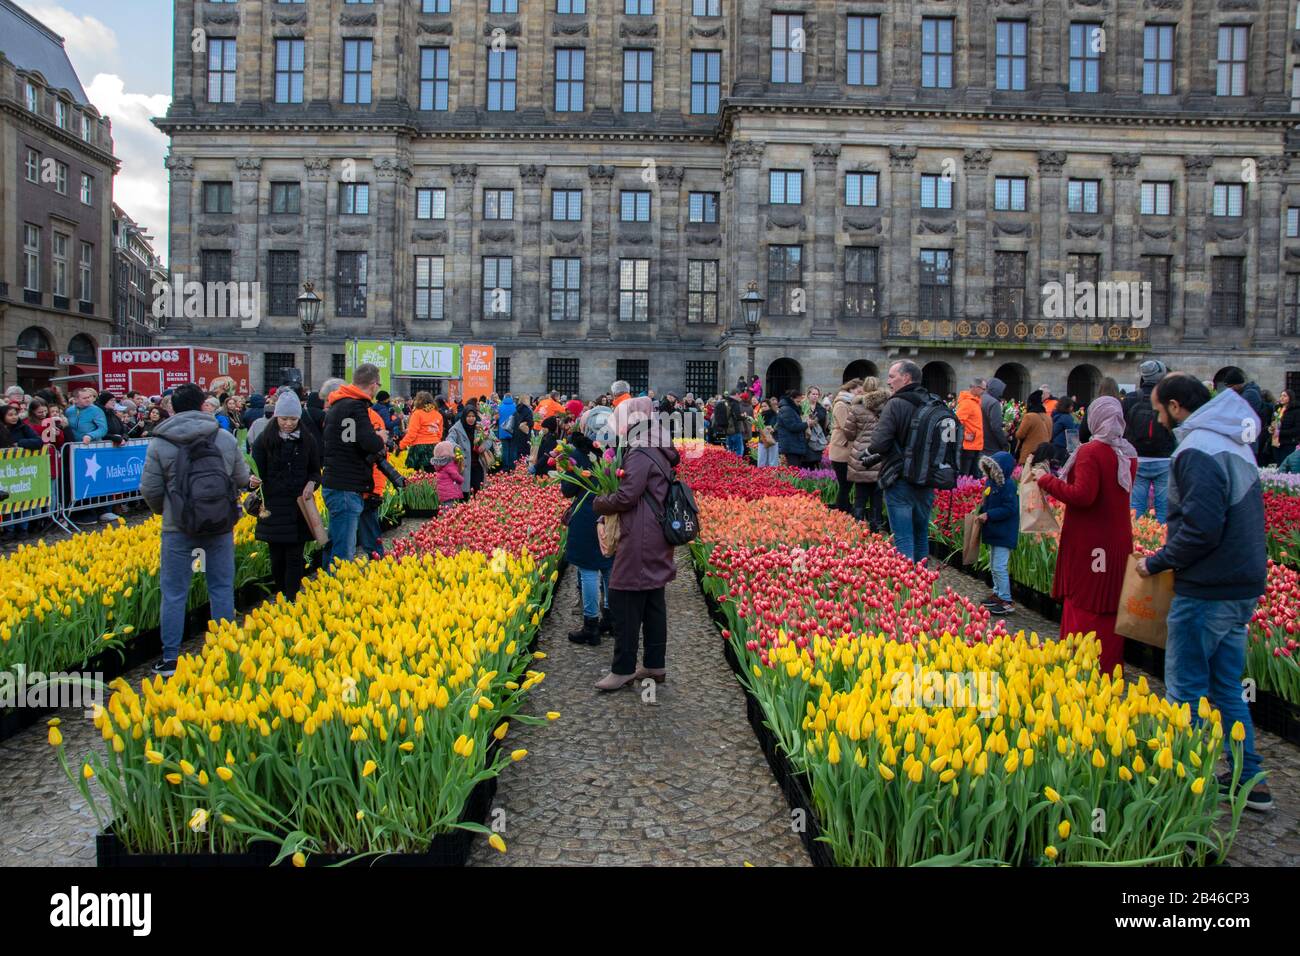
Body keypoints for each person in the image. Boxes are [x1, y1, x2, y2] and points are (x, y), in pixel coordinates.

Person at [1136, 374, 1271, 811]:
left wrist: (1155, 562)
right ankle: (1251, 781)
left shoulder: (1198, 449)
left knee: (1186, 689)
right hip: (1242, 581)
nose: (1158, 420)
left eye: (1159, 411)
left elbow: (1200, 529)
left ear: (1176, 406)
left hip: (1207, 585)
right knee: (1227, 687)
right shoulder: (1235, 444)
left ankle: (1184, 785)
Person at [139, 383, 250, 677]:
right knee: (221, 587)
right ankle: (225, 649)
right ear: (204, 405)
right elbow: (241, 477)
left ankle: (171, 658)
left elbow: (150, 488)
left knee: (175, 592)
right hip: (219, 524)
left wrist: (168, 512)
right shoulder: (223, 437)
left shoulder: (160, 441)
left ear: (172, 408)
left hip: (178, 528)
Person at [1034, 397, 1137, 677]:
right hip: (1116, 541)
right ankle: (1109, 667)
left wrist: (1047, 481)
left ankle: (1083, 668)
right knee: (1110, 606)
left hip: (1091, 541)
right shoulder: (1127, 452)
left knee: (1086, 605)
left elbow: (1083, 496)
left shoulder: (1092, 451)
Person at [592, 396, 680, 690]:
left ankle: (623, 668)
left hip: (640, 535)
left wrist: (600, 503)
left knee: (624, 598)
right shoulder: (655, 441)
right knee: (653, 600)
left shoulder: (640, 448)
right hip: (655, 532)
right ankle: (655, 664)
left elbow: (628, 495)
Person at [250, 390, 320, 602]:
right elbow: (254, 471)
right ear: (276, 417)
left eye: (293, 419)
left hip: (298, 507)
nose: (288, 423)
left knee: (295, 556)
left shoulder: (307, 440)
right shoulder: (264, 440)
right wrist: (252, 480)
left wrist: (312, 483)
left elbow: (315, 470)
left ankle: (291, 598)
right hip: (273, 507)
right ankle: (280, 594)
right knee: (277, 558)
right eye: (284, 419)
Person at [868, 360, 935, 564]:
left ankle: (908, 587)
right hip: (927, 477)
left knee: (904, 536)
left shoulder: (896, 403)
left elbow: (879, 443)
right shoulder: (932, 402)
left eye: (892, 376)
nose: (888, 381)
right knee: (921, 534)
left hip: (900, 476)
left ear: (906, 378)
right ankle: (922, 582)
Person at [321, 364, 386, 568]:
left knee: (336, 542)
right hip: (347, 484)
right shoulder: (356, 406)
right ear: (374, 385)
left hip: (337, 480)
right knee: (344, 550)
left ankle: (328, 587)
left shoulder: (338, 405)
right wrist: (380, 438)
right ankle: (337, 591)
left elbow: (349, 440)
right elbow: (369, 443)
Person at [562, 417, 615, 645]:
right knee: (609, 568)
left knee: (588, 571)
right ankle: (611, 619)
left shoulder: (576, 454)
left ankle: (591, 625)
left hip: (587, 513)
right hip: (611, 513)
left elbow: (568, 489)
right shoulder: (614, 451)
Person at [1123, 359, 1175, 524]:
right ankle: (1161, 542)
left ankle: (1137, 541)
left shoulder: (1131, 398)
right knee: (1163, 508)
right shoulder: (1168, 399)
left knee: (1135, 507)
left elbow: (1123, 426)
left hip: (1137, 457)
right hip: (1164, 458)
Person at [976, 451, 1019, 615]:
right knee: (994, 566)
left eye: (993, 468)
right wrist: (982, 511)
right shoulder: (991, 483)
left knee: (999, 566)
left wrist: (989, 515)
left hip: (1004, 532)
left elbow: (1010, 509)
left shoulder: (1008, 485)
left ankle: (1006, 600)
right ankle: (997, 594)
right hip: (995, 531)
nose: (989, 471)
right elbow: (987, 503)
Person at [846, 377, 890, 532]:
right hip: (881, 453)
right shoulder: (888, 406)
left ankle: (857, 526)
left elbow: (849, 434)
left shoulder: (856, 408)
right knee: (878, 495)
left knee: (860, 495)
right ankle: (876, 525)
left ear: (863, 389)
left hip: (862, 454)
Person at [827, 380, 863, 511]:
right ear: (851, 389)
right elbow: (846, 427)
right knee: (845, 484)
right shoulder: (841, 404)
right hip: (842, 448)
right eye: (859, 391)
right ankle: (841, 510)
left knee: (847, 484)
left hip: (847, 448)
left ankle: (843, 509)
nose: (861, 394)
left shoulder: (849, 403)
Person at [399, 391, 444, 472]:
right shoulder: (438, 414)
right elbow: (440, 434)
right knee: (432, 477)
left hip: (419, 448)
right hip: (434, 448)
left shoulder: (417, 414)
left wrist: (401, 446)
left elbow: (412, 434)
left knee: (416, 478)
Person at [447, 406, 487, 493]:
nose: (471, 419)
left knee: (478, 491)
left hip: (478, 463)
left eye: (473, 416)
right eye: (468, 416)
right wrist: (456, 447)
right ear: (464, 416)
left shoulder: (479, 426)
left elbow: (490, 438)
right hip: (464, 465)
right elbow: (449, 440)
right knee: (465, 493)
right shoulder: (456, 428)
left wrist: (484, 445)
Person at [956, 380, 986, 477]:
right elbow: (957, 421)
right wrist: (964, 435)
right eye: (983, 389)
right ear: (976, 387)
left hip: (975, 445)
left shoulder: (975, 402)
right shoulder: (967, 403)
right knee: (965, 476)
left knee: (972, 476)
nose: (984, 392)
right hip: (968, 446)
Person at [1015, 390, 1052, 466]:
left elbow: (1019, 435)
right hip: (1044, 455)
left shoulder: (1029, 416)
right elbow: (1050, 436)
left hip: (1029, 455)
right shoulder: (1048, 417)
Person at [776, 388, 809, 467]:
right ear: (791, 399)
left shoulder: (790, 408)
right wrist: (807, 424)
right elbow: (792, 426)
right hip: (790, 445)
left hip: (793, 444)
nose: (799, 404)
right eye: (798, 401)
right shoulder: (787, 409)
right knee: (793, 470)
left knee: (795, 470)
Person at [980, 377, 1009, 455]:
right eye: (1001, 391)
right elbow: (996, 427)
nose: (1001, 394)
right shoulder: (994, 403)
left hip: (979, 443)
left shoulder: (980, 398)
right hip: (991, 445)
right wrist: (1004, 443)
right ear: (996, 390)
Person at [431, 440, 464, 506]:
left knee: (445, 507)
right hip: (450, 492)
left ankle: (444, 515)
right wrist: (461, 479)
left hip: (443, 493)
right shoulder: (449, 465)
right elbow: (455, 475)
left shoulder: (439, 465)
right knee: (450, 508)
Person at [1273, 388, 1300, 465]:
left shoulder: (1296, 411)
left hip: (1288, 443)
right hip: (1276, 442)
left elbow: (1297, 429)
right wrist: (1270, 428)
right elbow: (1273, 422)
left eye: (1284, 396)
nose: (1281, 398)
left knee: (1285, 465)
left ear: (1290, 397)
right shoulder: (1278, 409)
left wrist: (1279, 432)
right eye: (1281, 395)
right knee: (1278, 464)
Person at [495, 393, 519, 471]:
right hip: (513, 431)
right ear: (512, 398)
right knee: (513, 449)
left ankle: (505, 467)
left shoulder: (500, 407)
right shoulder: (516, 406)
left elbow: (496, 418)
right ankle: (513, 467)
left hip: (503, 431)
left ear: (504, 398)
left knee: (505, 450)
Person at [756, 396, 780, 467]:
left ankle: (772, 476)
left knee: (773, 461)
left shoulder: (775, 415)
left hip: (773, 439)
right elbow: (758, 428)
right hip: (762, 440)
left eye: (765, 406)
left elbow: (778, 425)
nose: (763, 408)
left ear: (769, 406)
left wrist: (773, 429)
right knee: (761, 460)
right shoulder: (760, 416)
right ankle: (762, 476)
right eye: (762, 406)